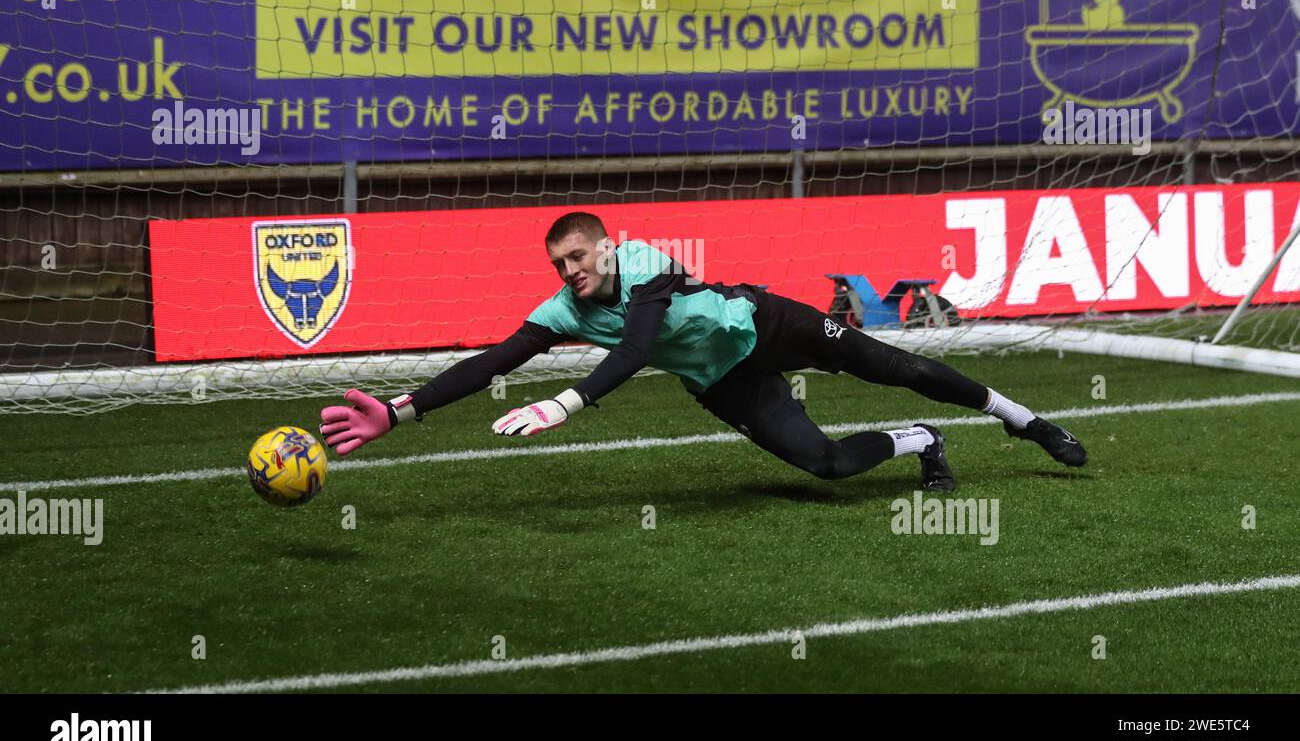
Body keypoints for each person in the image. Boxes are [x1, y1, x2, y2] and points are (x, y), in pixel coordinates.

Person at [320, 212, 1087, 491]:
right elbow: (492, 361)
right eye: (560, 265)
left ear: (606, 250)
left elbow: (636, 349)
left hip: (768, 322)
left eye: (579, 258)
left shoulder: (646, 262)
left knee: (905, 367)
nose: (569, 273)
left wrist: (565, 400)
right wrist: (400, 408)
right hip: (724, 381)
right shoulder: (561, 309)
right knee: (822, 466)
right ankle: (923, 441)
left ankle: (1024, 419)